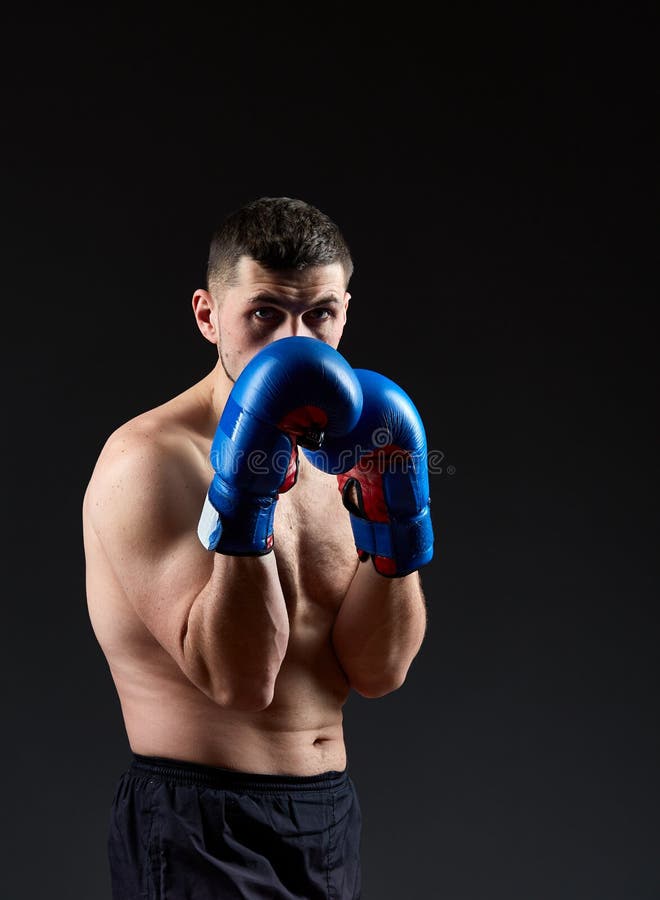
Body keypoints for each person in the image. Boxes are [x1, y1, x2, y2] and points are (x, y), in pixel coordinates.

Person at [82, 196, 433, 900]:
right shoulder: (146, 461)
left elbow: (379, 669)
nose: (294, 342)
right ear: (209, 315)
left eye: (319, 315)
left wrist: (395, 518)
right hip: (200, 826)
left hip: (328, 820)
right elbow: (239, 682)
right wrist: (248, 484)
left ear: (345, 312)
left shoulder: (353, 452)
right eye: (265, 313)